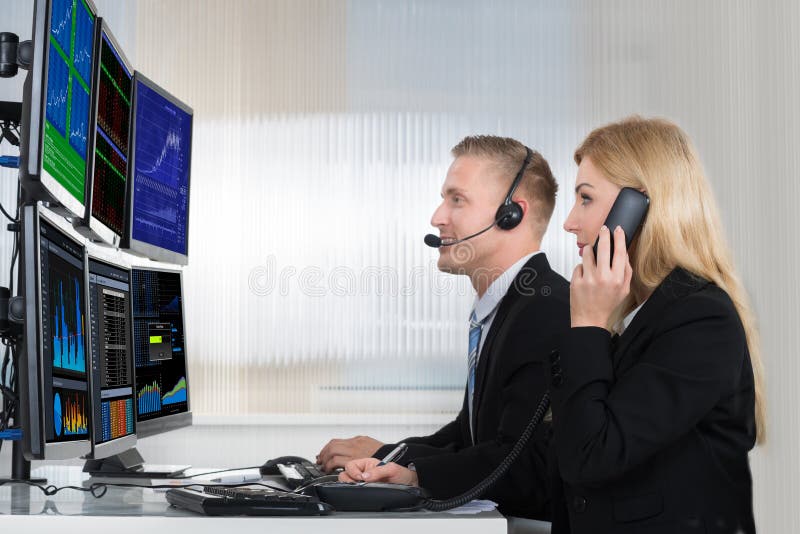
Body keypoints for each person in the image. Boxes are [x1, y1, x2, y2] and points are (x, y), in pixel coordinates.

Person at [318, 135, 570, 519]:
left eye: (457, 199)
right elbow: (467, 437)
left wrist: (412, 477)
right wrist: (386, 456)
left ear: (511, 215)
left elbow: (520, 461)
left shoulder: (545, 310)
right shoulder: (508, 307)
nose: (438, 216)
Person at [549, 116, 764, 533]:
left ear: (638, 206)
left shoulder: (702, 318)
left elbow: (593, 454)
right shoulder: (631, 314)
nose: (570, 221)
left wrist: (588, 325)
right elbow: (559, 451)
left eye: (586, 199)